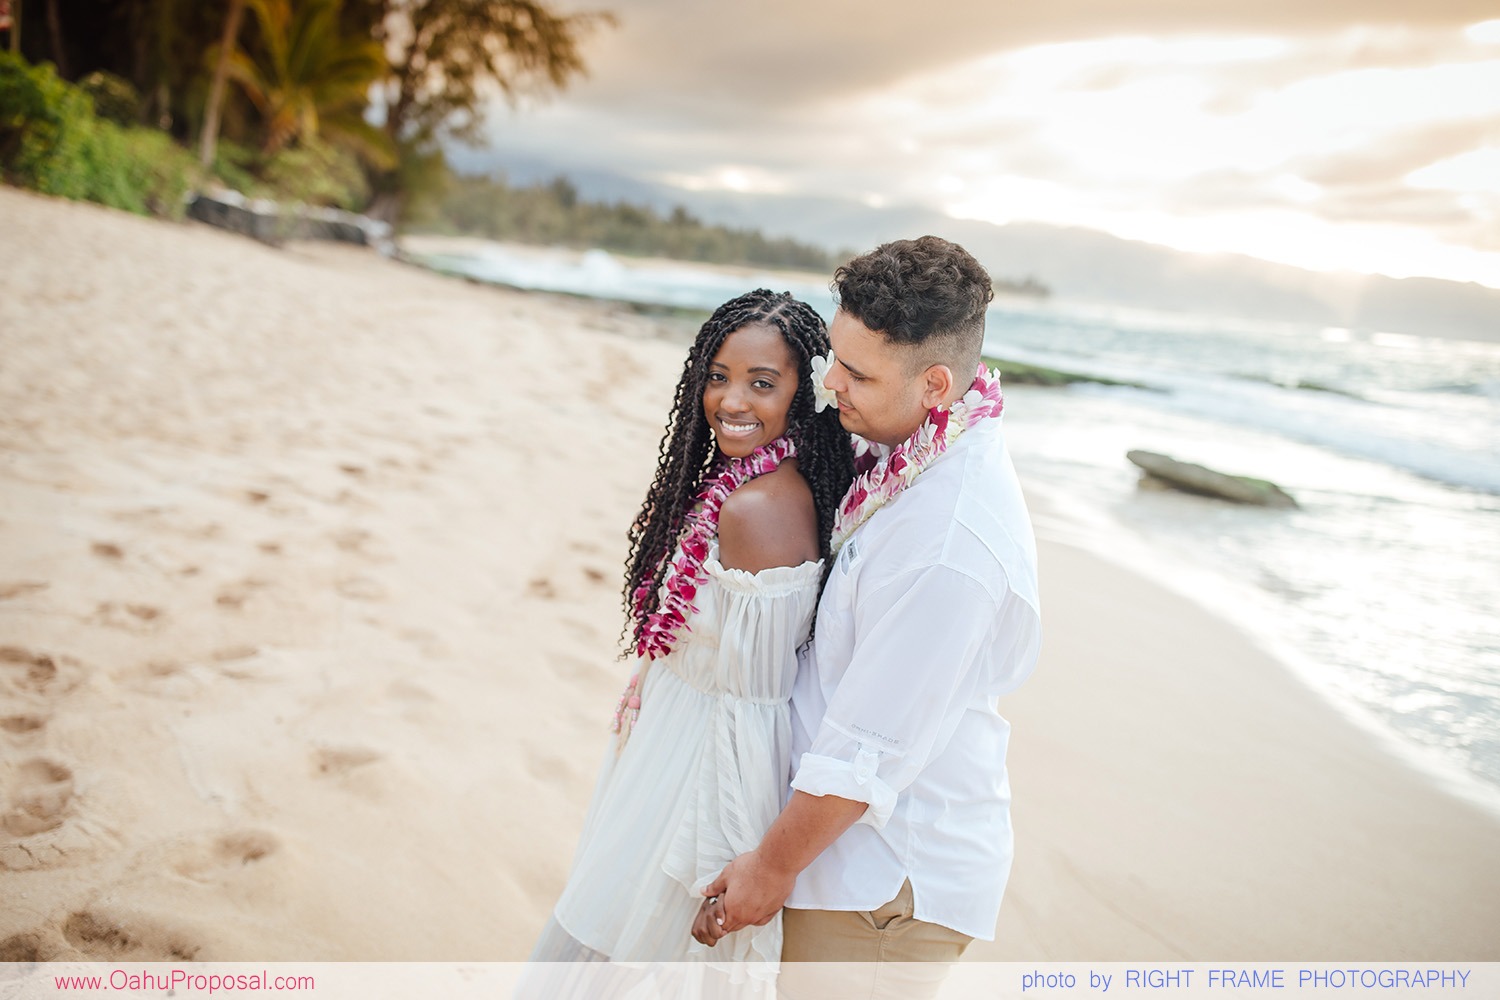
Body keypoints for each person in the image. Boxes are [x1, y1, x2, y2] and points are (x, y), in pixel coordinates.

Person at [692, 237, 1042, 999]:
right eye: (835, 360)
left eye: (857, 373)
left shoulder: (949, 544)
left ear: (936, 384)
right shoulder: (910, 450)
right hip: (844, 860)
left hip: (882, 885)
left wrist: (771, 866)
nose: (831, 386)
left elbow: (867, 752)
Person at [524, 289, 855, 990]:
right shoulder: (743, 484)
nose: (731, 400)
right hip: (670, 746)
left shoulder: (758, 508)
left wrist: (731, 850)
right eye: (718, 375)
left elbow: (755, 700)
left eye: (762, 383)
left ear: (800, 394)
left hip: (696, 781)